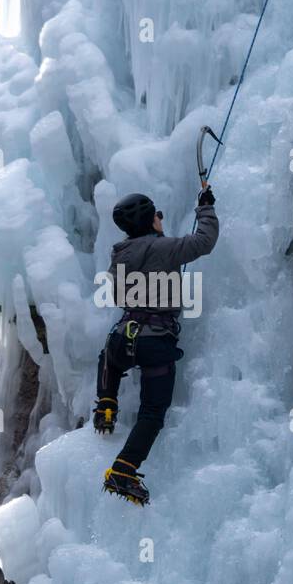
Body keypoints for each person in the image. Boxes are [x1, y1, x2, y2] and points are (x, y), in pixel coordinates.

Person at [95, 182, 219, 505]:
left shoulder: (119, 256)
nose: (161, 220)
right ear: (151, 221)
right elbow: (204, 242)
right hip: (155, 342)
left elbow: (121, 295)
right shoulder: (161, 248)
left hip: (124, 337)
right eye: (158, 216)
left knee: (108, 355)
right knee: (152, 411)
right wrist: (205, 205)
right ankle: (124, 469)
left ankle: (106, 405)